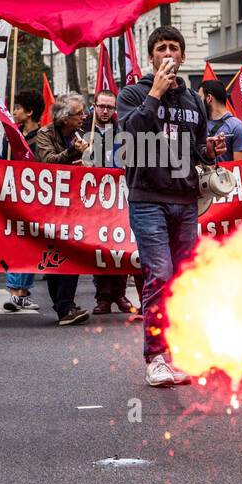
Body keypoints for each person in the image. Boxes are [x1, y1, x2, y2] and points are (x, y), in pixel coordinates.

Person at [117, 26, 224, 386]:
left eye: (173, 48)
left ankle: (175, 351)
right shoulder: (132, 94)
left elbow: (194, 149)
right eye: (161, 48)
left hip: (185, 200)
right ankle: (155, 356)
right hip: (148, 199)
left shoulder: (194, 101)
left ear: (182, 56)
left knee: (180, 280)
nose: (168, 53)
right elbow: (132, 135)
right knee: (159, 275)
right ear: (151, 57)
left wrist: (208, 151)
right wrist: (155, 94)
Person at [30, 93, 92, 326]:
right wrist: (72, 154)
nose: (84, 117)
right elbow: (47, 163)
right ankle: (63, 306)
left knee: (72, 251)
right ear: (65, 118)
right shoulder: (45, 134)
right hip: (50, 205)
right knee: (56, 253)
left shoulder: (78, 134)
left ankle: (65, 305)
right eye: (79, 114)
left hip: (73, 204)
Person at [83, 88, 138, 315]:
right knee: (100, 247)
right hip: (93, 198)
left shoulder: (122, 129)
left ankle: (119, 294)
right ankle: (103, 297)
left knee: (120, 245)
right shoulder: (84, 129)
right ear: (94, 106)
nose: (105, 111)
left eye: (110, 107)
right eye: (101, 106)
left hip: (118, 196)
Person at [2, 89, 46, 313]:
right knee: (15, 241)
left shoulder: (43, 138)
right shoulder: (11, 137)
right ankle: (16, 290)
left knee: (30, 244)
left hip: (36, 198)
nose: (14, 112)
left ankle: (21, 291)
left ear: (29, 112)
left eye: (17, 108)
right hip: (13, 195)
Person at [198, 80, 242, 161]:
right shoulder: (199, 124)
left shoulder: (237, 127)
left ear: (209, 98)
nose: (197, 103)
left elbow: (240, 167)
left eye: (199, 98)